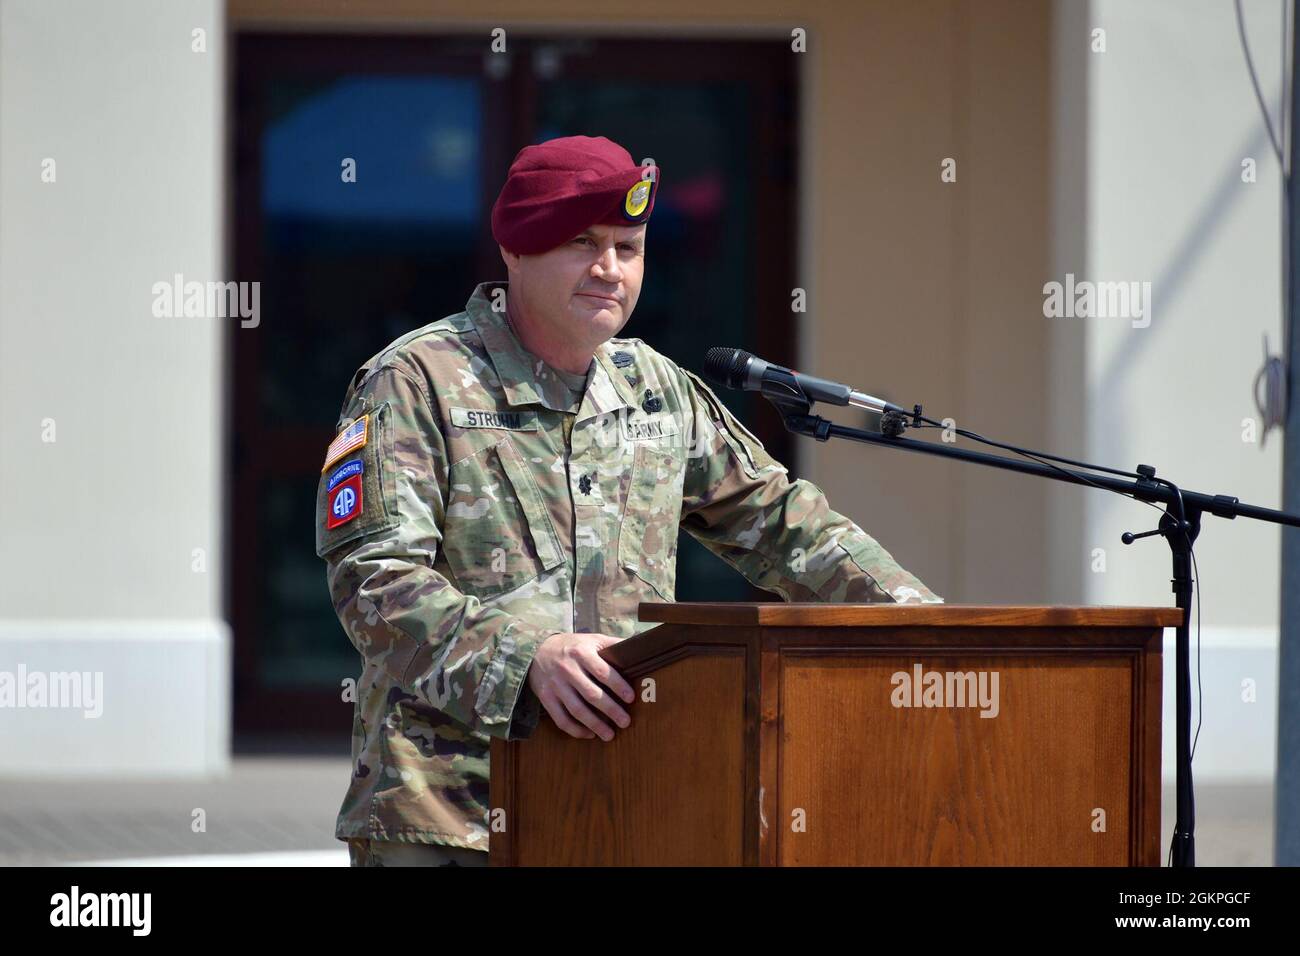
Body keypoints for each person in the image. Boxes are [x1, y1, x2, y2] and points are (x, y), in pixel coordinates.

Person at [316, 134, 942, 867]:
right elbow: (373, 582)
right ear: (516, 249)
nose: (610, 268)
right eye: (582, 242)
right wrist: (529, 660)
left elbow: (783, 525)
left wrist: (930, 633)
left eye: (629, 245)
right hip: (451, 815)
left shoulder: (654, 390)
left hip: (620, 804)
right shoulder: (417, 379)